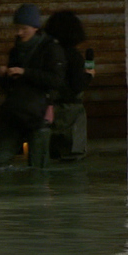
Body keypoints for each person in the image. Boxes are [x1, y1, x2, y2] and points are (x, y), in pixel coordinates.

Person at [0, 4, 66, 168]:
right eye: (17, 28)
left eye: (23, 28)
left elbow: (56, 80)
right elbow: (9, 87)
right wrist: (3, 76)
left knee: (38, 167)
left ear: (35, 27)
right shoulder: (16, 50)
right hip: (16, 112)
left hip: (39, 113)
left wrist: (26, 72)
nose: (19, 33)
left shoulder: (51, 49)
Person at [43, 10, 95, 161]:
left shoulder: (46, 52)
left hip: (47, 110)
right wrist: (89, 75)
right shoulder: (74, 56)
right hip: (70, 114)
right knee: (72, 158)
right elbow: (77, 86)